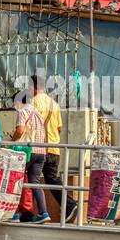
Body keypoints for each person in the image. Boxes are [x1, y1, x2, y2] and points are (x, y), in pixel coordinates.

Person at [31, 72, 77, 223]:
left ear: (33, 86)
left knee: (32, 179)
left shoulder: (34, 102)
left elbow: (32, 125)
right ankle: (69, 206)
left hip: (40, 148)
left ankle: (35, 212)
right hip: (54, 148)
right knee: (52, 180)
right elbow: (59, 128)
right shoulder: (54, 104)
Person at [11, 98, 49, 223]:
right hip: (40, 152)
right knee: (35, 182)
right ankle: (44, 212)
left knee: (15, 179)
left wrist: (12, 141)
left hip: (27, 151)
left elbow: (20, 130)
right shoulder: (38, 113)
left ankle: (14, 214)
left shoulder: (22, 111)